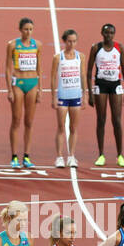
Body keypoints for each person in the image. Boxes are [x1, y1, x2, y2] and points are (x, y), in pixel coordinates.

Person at [87, 23, 124, 167]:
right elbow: (88, 72)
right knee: (101, 119)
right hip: (101, 85)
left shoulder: (119, 48)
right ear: (102, 33)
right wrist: (90, 93)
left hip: (115, 84)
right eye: (106, 33)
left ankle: (120, 155)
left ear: (114, 34)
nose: (108, 35)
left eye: (111, 33)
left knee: (117, 120)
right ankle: (101, 154)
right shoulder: (96, 48)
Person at [6, 18, 43, 168]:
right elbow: (8, 68)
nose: (28, 32)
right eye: (26, 29)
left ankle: (26, 156)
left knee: (29, 122)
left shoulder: (37, 45)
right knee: (16, 120)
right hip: (18, 84)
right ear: (20, 30)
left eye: (30, 29)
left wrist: (40, 88)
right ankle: (14, 156)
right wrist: (9, 89)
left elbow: (39, 67)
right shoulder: (13, 45)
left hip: (32, 83)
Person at [50, 29, 86, 168]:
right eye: (69, 41)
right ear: (64, 41)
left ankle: (71, 156)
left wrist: (85, 94)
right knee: (60, 127)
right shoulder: (58, 57)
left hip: (76, 95)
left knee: (73, 127)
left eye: (74, 41)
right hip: (63, 96)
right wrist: (53, 96)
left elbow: (83, 76)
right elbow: (53, 77)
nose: (72, 44)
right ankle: (59, 157)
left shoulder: (80, 56)